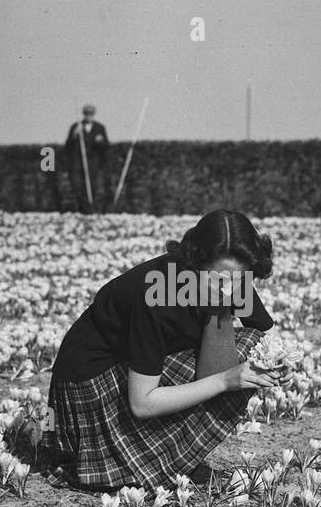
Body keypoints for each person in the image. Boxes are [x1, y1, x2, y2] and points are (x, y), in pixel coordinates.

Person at [39, 209, 284, 490]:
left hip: (132, 365)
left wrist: (280, 361)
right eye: (218, 280)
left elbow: (268, 336)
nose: (229, 292)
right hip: (91, 384)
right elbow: (142, 404)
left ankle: (168, 454)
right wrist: (227, 380)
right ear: (195, 264)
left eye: (239, 280)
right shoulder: (157, 297)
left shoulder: (226, 278)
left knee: (253, 345)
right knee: (238, 364)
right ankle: (145, 460)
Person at [64, 104, 112, 213]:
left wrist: (101, 142)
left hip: (93, 163)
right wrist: (74, 135)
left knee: (92, 187)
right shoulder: (75, 126)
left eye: (91, 114)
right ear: (83, 114)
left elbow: (106, 147)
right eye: (86, 114)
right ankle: (82, 209)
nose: (88, 116)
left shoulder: (100, 128)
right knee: (77, 186)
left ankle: (90, 209)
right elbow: (67, 146)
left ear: (94, 115)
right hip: (78, 163)